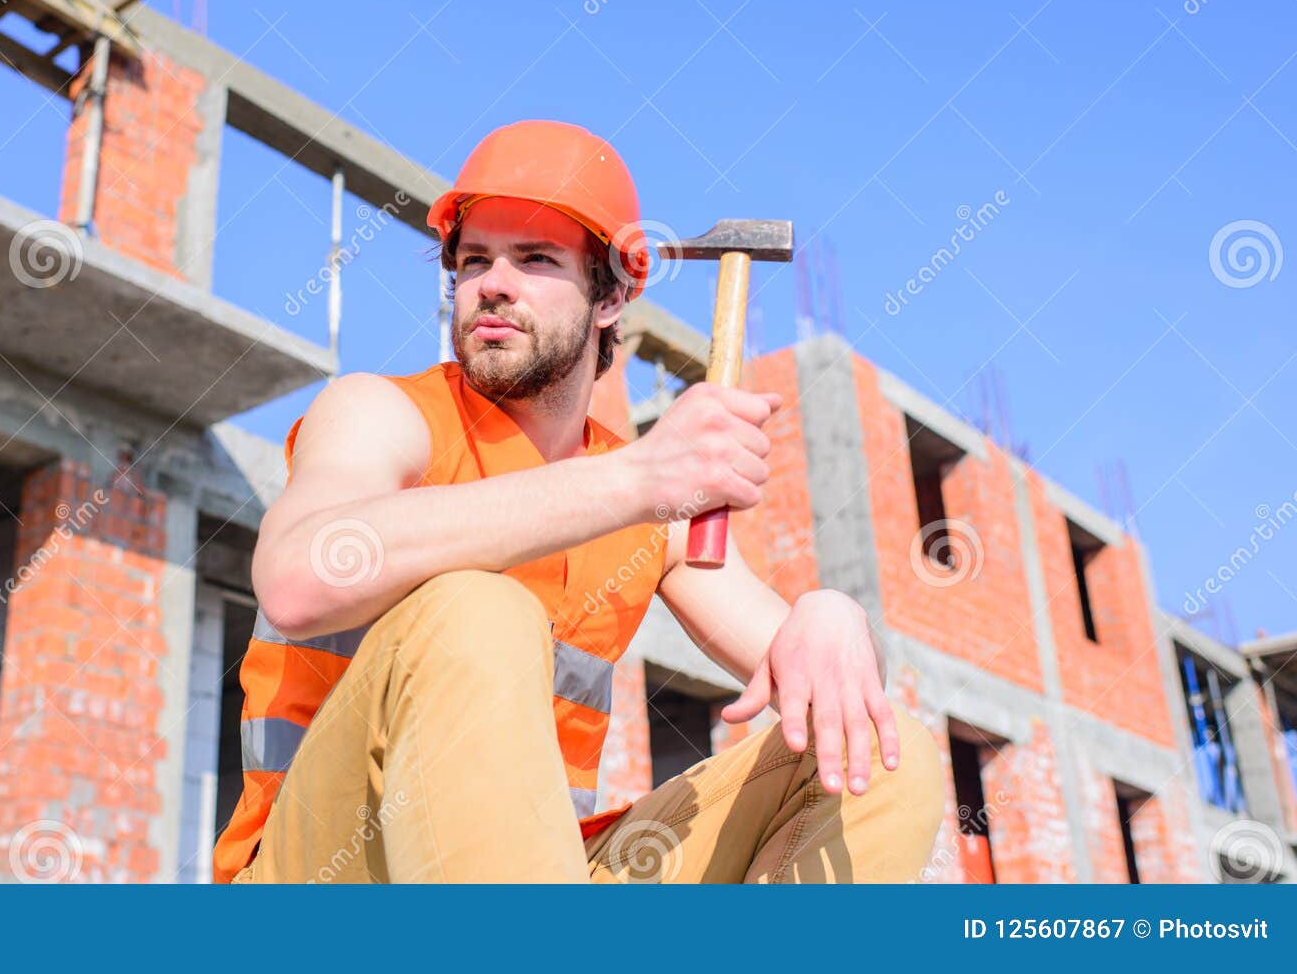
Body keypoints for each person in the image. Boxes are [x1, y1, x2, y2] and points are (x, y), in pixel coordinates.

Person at [213, 120, 943, 884]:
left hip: (534, 874)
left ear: (611, 295)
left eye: (534, 259)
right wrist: (636, 482)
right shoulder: (381, 414)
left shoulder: (644, 506)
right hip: (325, 879)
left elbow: (815, 679)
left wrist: (830, 617)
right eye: (472, 260)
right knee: (477, 608)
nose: (493, 282)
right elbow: (298, 580)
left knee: (882, 757)